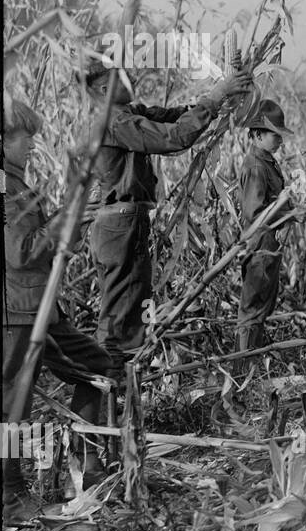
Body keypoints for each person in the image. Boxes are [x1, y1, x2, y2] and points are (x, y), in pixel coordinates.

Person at [84, 60, 250, 369]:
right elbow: (175, 137)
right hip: (120, 221)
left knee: (131, 302)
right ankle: (105, 385)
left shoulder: (128, 114)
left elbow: (171, 116)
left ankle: (124, 386)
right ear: (106, 90)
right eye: (120, 78)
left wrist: (219, 96)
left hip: (124, 220)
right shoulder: (116, 122)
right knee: (120, 309)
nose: (129, 78)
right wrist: (216, 96)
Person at [1, 98, 115, 522]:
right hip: (18, 313)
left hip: (39, 309)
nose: (32, 144)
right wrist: (67, 218)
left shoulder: (15, 184)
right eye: (23, 137)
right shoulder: (2, 185)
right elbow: (20, 252)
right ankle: (11, 498)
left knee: (97, 368)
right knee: (12, 407)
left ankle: (85, 470)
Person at [236, 100, 293, 354]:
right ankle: (241, 369)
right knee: (252, 308)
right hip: (259, 245)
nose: (280, 140)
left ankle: (251, 366)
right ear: (258, 135)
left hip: (268, 244)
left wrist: (292, 212)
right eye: (275, 135)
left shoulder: (267, 161)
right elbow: (254, 214)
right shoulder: (257, 166)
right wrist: (282, 206)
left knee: (262, 305)